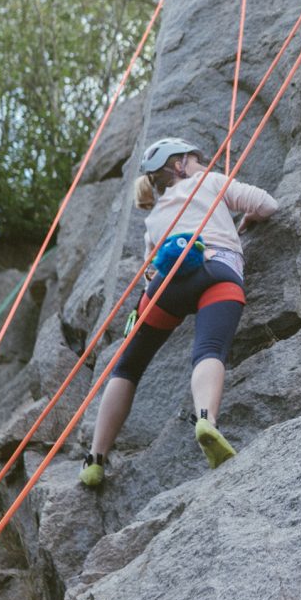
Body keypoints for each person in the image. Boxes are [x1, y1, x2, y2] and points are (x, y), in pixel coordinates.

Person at [79, 137, 279, 488]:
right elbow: (268, 204)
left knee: (128, 367)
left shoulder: (154, 218)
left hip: (166, 288)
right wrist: (247, 216)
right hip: (218, 272)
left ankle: (95, 459)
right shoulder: (213, 182)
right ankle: (205, 420)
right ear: (179, 165)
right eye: (196, 160)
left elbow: (149, 270)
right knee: (210, 350)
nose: (204, 165)